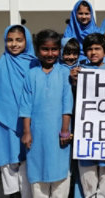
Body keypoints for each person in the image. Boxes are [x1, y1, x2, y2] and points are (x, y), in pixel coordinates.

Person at [20, 29, 73, 197]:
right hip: (37, 133)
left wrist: (65, 130)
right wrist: (27, 132)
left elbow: (67, 103)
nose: (50, 53)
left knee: (60, 175)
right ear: (37, 50)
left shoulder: (64, 72)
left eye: (54, 49)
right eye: (45, 49)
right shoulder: (31, 74)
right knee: (38, 173)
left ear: (59, 50)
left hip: (59, 133)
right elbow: (26, 105)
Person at [0, 25, 34, 198]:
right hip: (4, 121)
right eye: (10, 40)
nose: (14, 44)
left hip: (26, 121)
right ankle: (12, 194)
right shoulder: (1, 63)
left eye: (19, 40)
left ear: (26, 41)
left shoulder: (33, 63)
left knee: (26, 161)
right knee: (7, 161)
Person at [70, 33, 105, 198]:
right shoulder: (80, 70)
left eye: (97, 48)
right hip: (86, 132)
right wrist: (73, 80)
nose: (93, 52)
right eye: (89, 49)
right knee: (87, 176)